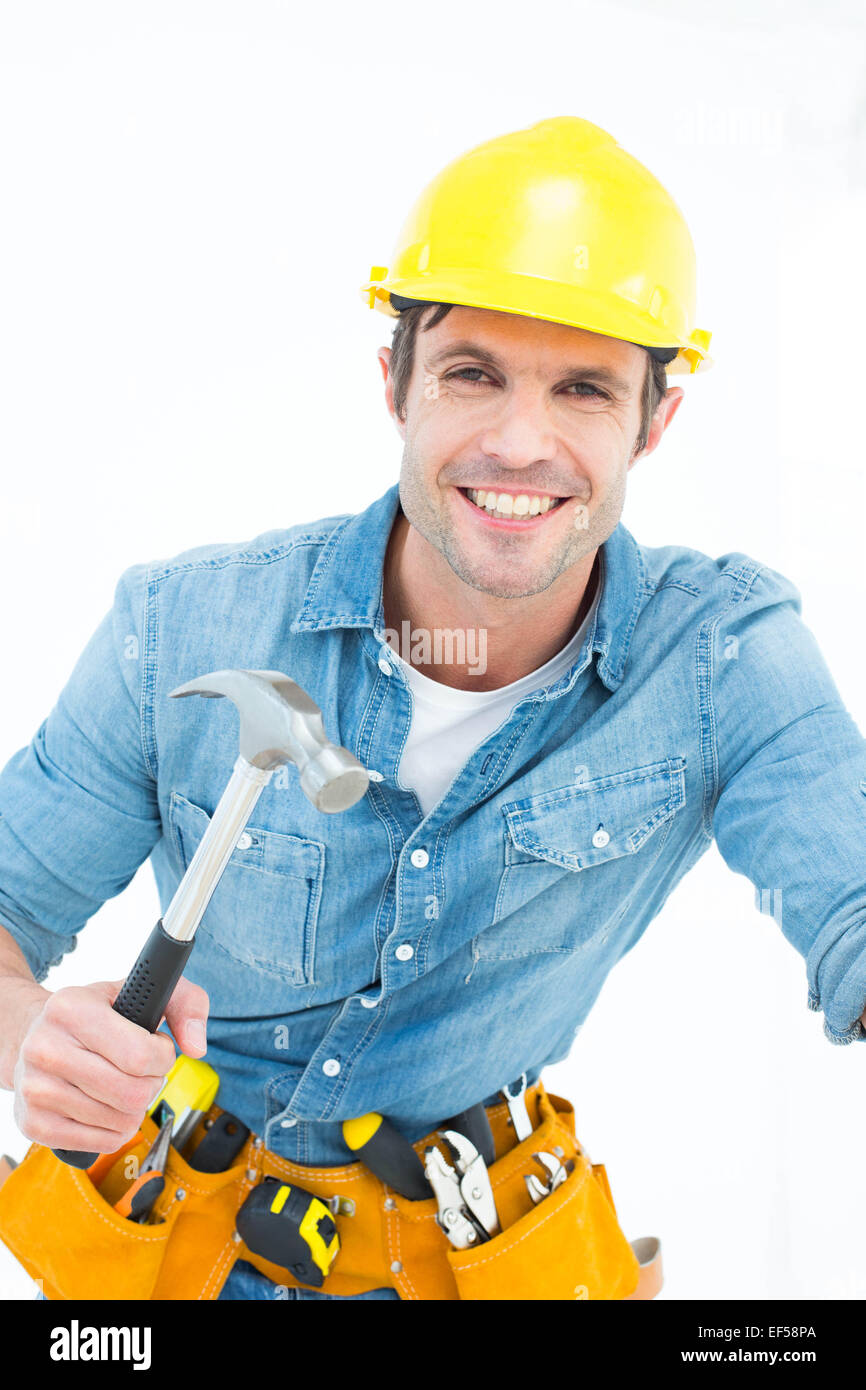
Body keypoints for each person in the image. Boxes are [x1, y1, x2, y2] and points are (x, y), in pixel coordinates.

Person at [1, 117, 864, 1301]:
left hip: (477, 1261)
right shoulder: (183, 630)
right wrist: (30, 1035)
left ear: (653, 422)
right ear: (394, 382)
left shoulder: (717, 660)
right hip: (176, 1255)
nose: (521, 441)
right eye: (472, 373)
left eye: (582, 388)